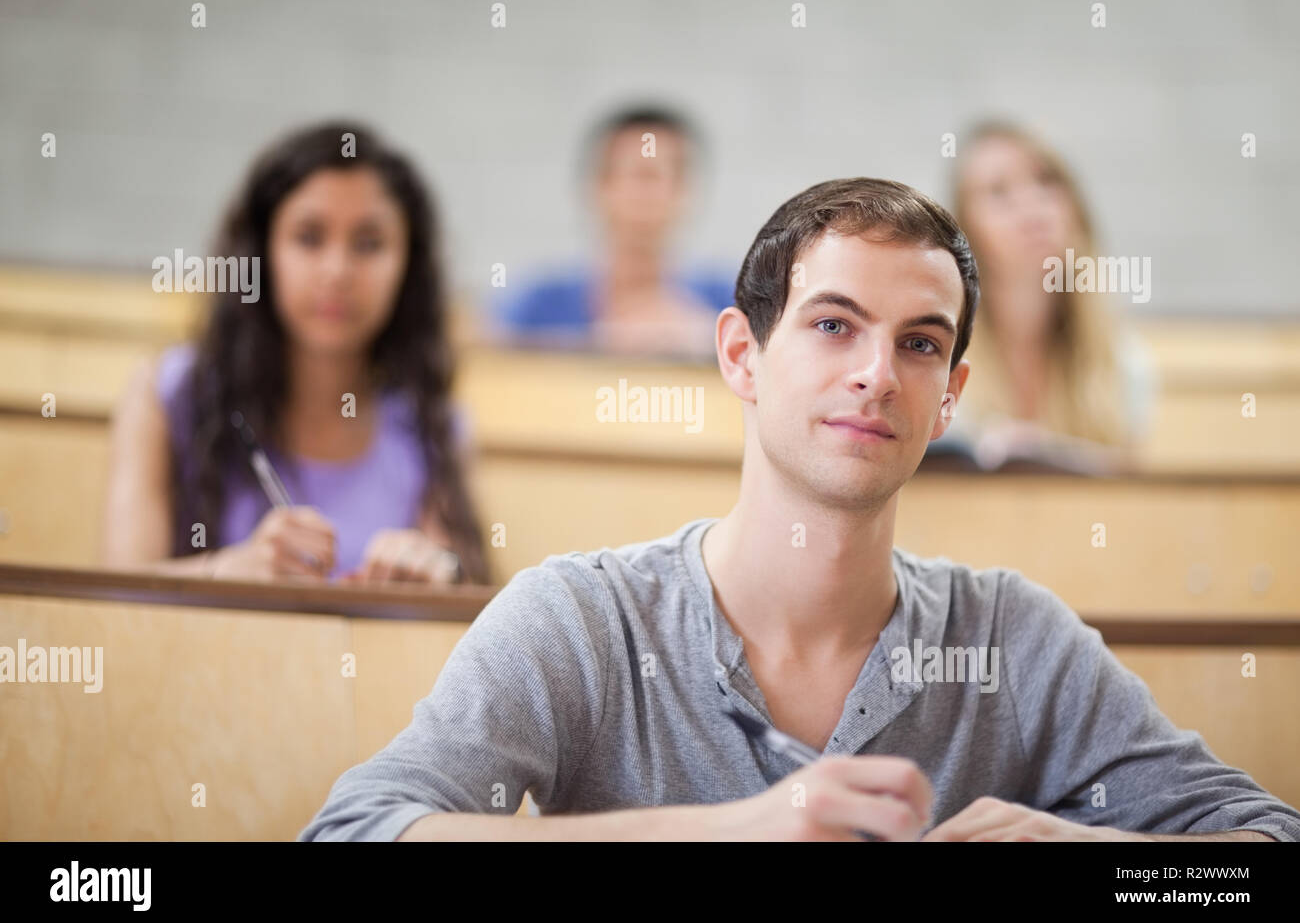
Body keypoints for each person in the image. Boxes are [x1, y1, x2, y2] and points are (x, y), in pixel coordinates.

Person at [299, 177, 1299, 841]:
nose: (876, 375)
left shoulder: (1014, 635)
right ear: (741, 353)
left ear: (949, 394)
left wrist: (1092, 855)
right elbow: (352, 829)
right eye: (833, 325)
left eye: (918, 343)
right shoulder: (581, 618)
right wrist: (736, 825)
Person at [103, 121, 490, 585]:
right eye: (308, 237)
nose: (337, 271)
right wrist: (228, 572)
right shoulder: (167, 393)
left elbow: (468, 603)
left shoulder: (432, 424)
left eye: (369, 244)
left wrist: (439, 576)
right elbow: (118, 593)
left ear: (407, 268)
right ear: (261, 255)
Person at [932, 119, 1156, 472]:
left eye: (1046, 181)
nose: (1031, 205)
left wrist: (1039, 449)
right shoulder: (937, 357)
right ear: (966, 230)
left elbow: (1129, 497)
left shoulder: (1123, 362)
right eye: (998, 192)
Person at [491, 105, 734, 358]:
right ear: (597, 186)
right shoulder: (535, 305)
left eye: (664, 178)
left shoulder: (728, 302)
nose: (647, 196)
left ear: (687, 193)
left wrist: (707, 342)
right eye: (637, 176)